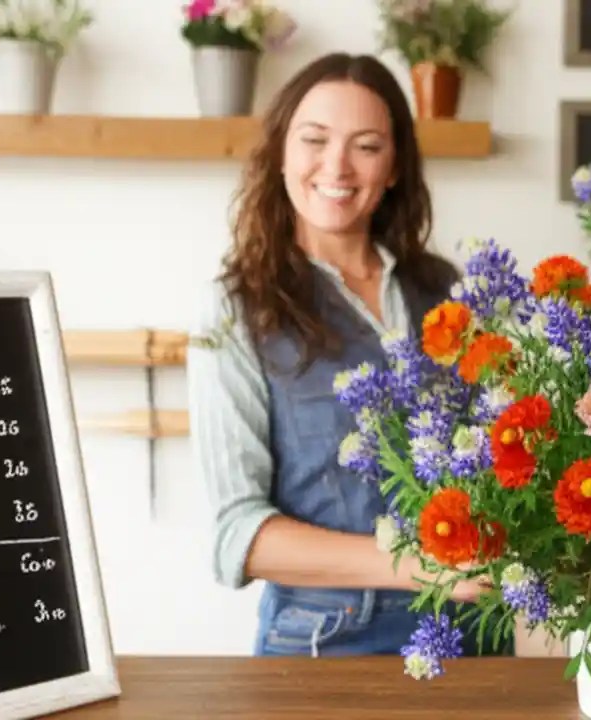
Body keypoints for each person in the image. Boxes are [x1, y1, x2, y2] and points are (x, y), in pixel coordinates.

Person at [187, 52, 507, 658]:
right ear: (281, 152)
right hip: (325, 638)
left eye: (366, 146)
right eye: (314, 139)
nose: (336, 165)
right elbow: (240, 537)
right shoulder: (234, 309)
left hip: (475, 632)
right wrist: (420, 564)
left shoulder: (448, 290)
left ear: (393, 168)